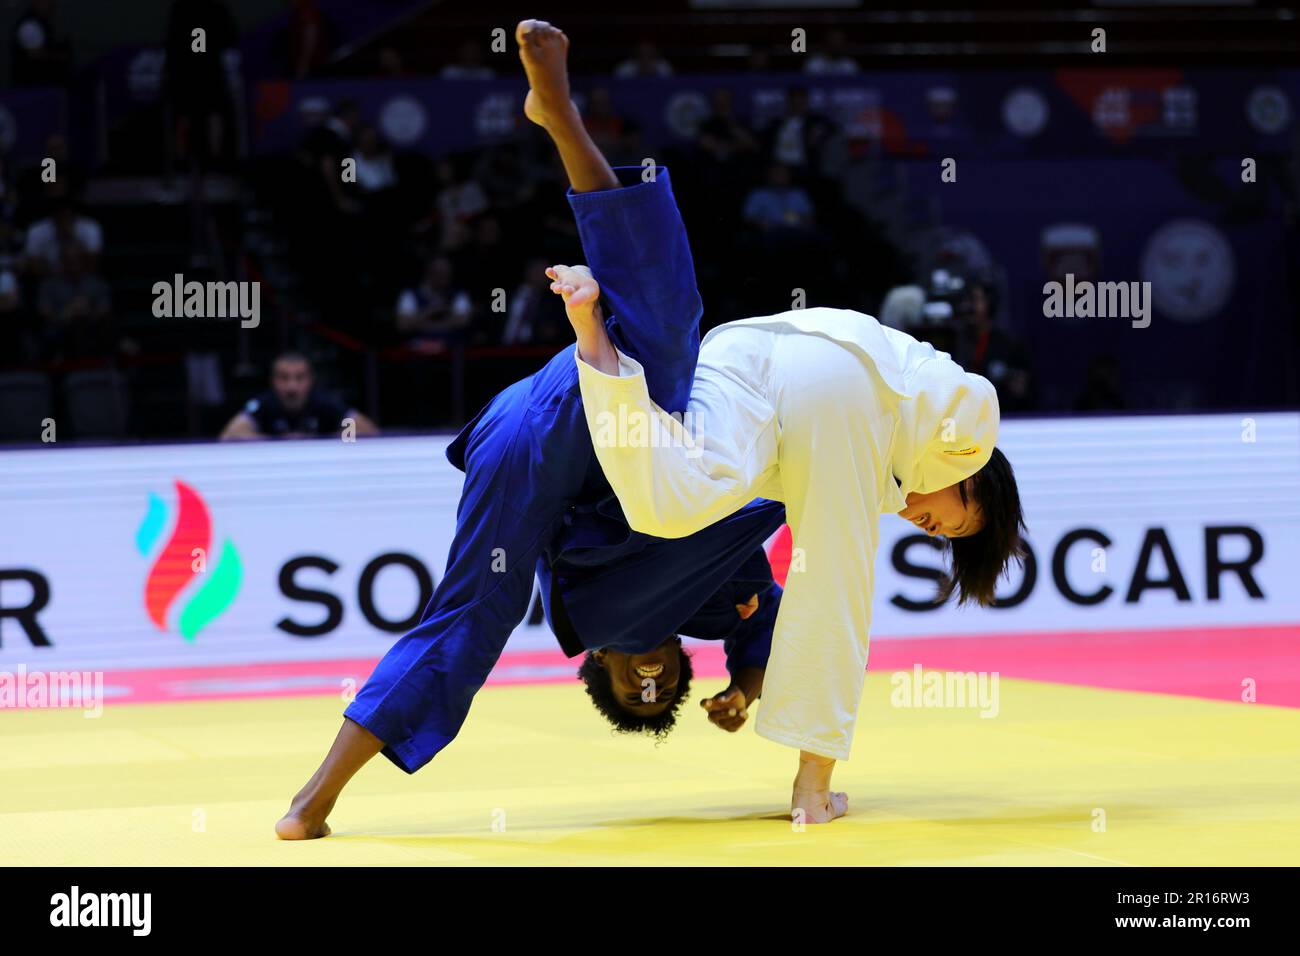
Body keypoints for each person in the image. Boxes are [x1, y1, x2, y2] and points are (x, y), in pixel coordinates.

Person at [274, 20, 790, 840]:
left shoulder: (594, 619)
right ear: (685, 660)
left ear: (600, 669)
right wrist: (751, 683)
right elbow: (766, 605)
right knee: (665, 337)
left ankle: (310, 801)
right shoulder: (721, 601)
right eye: (663, 687)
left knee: (472, 617)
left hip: (534, 447)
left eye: (633, 689)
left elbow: (739, 537)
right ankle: (563, 121)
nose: (651, 681)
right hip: (583, 406)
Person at [554, 128, 1029, 826]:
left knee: (668, 504)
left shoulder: (890, 472)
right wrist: (916, 465)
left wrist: (891, 482)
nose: (924, 524)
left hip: (746, 352)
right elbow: (951, 407)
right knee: (835, 584)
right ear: (977, 480)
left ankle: (592, 333)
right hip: (836, 380)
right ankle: (813, 785)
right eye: (943, 519)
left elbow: (866, 478)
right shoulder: (970, 432)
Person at [220, 351, 378, 440]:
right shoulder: (265, 404)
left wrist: (323, 440)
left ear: (310, 380)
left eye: (299, 378)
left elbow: (366, 430)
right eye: (284, 378)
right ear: (273, 381)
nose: (292, 386)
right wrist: (275, 441)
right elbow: (230, 434)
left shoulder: (323, 402)